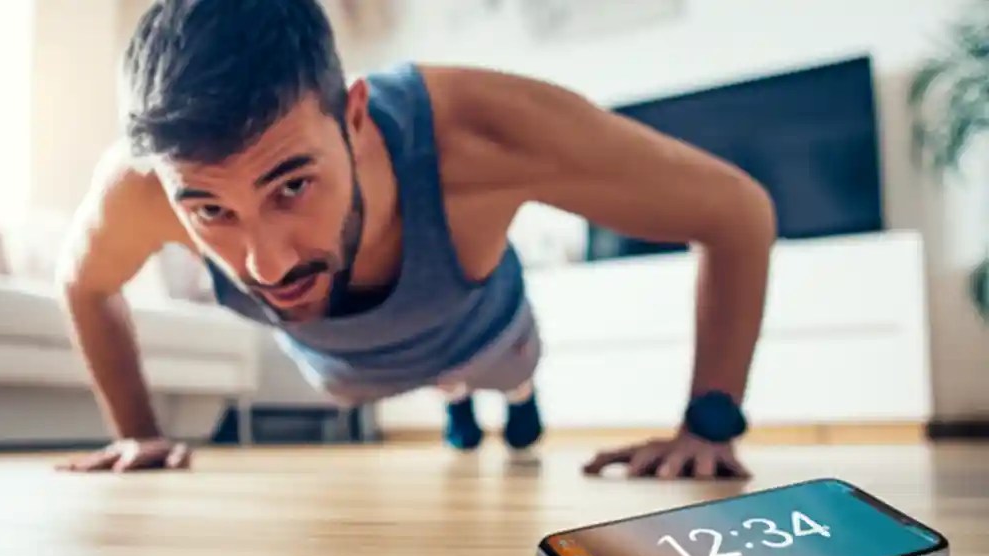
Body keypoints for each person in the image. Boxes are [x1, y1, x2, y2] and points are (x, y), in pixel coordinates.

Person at [56, 0, 773, 477]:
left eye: (292, 186)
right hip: (347, 372)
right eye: (210, 211)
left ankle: (511, 396)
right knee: (369, 384)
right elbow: (83, 283)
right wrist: (137, 432)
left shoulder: (484, 132)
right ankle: (453, 399)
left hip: (490, 332)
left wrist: (710, 422)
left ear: (355, 117)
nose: (264, 265)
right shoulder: (142, 187)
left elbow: (737, 213)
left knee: (508, 373)